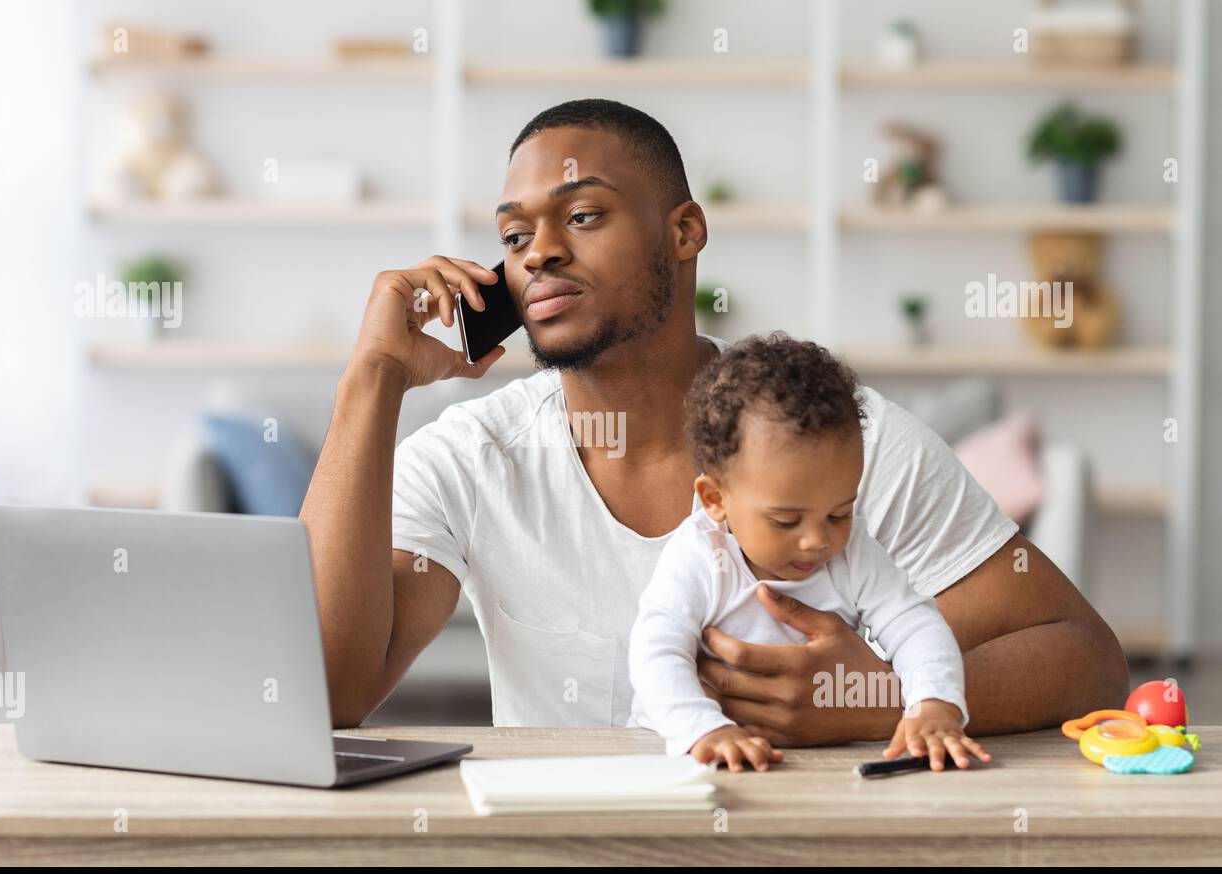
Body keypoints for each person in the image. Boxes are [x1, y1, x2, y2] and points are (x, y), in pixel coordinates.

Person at [299, 98, 1128, 743]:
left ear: (685, 232)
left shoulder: (843, 439)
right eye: (514, 235)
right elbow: (327, 692)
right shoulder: (472, 460)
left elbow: (1084, 657)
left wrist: (878, 697)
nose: (539, 252)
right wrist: (371, 380)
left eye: (582, 216)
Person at [629, 333, 992, 773]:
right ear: (715, 499)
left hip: (809, 764)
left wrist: (933, 704)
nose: (817, 541)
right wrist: (705, 728)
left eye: (839, 513)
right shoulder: (701, 555)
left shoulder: (854, 552)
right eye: (786, 521)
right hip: (685, 758)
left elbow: (916, 627)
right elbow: (655, 653)